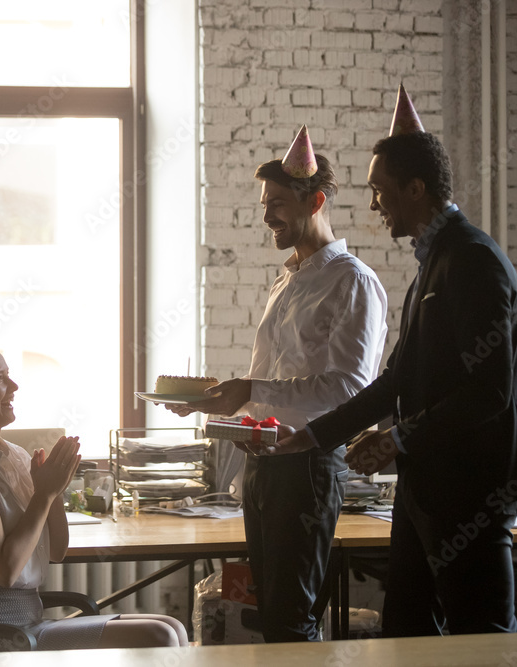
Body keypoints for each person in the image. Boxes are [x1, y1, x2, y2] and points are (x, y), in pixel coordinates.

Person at [256, 87, 517, 636]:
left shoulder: (475, 260)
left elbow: (489, 394)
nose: (372, 206)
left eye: (379, 192)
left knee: (478, 643)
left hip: (473, 494)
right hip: (427, 488)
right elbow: (400, 379)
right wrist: (315, 435)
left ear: (416, 189)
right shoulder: (434, 261)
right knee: (406, 637)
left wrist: (396, 439)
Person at [165, 126, 388, 642]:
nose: (266, 216)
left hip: (307, 467)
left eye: (279, 204)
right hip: (264, 463)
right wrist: (220, 400)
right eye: (265, 204)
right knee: (273, 618)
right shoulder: (289, 277)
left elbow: (350, 390)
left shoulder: (352, 281)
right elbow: (269, 383)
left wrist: (250, 388)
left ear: (316, 200)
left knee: (291, 621)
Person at [0, 337, 188, 649]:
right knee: (160, 636)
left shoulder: (14, 455)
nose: (14, 386)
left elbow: (57, 550)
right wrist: (42, 495)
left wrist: (54, 490)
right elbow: (4, 571)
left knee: (172, 626)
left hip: (29, 621)